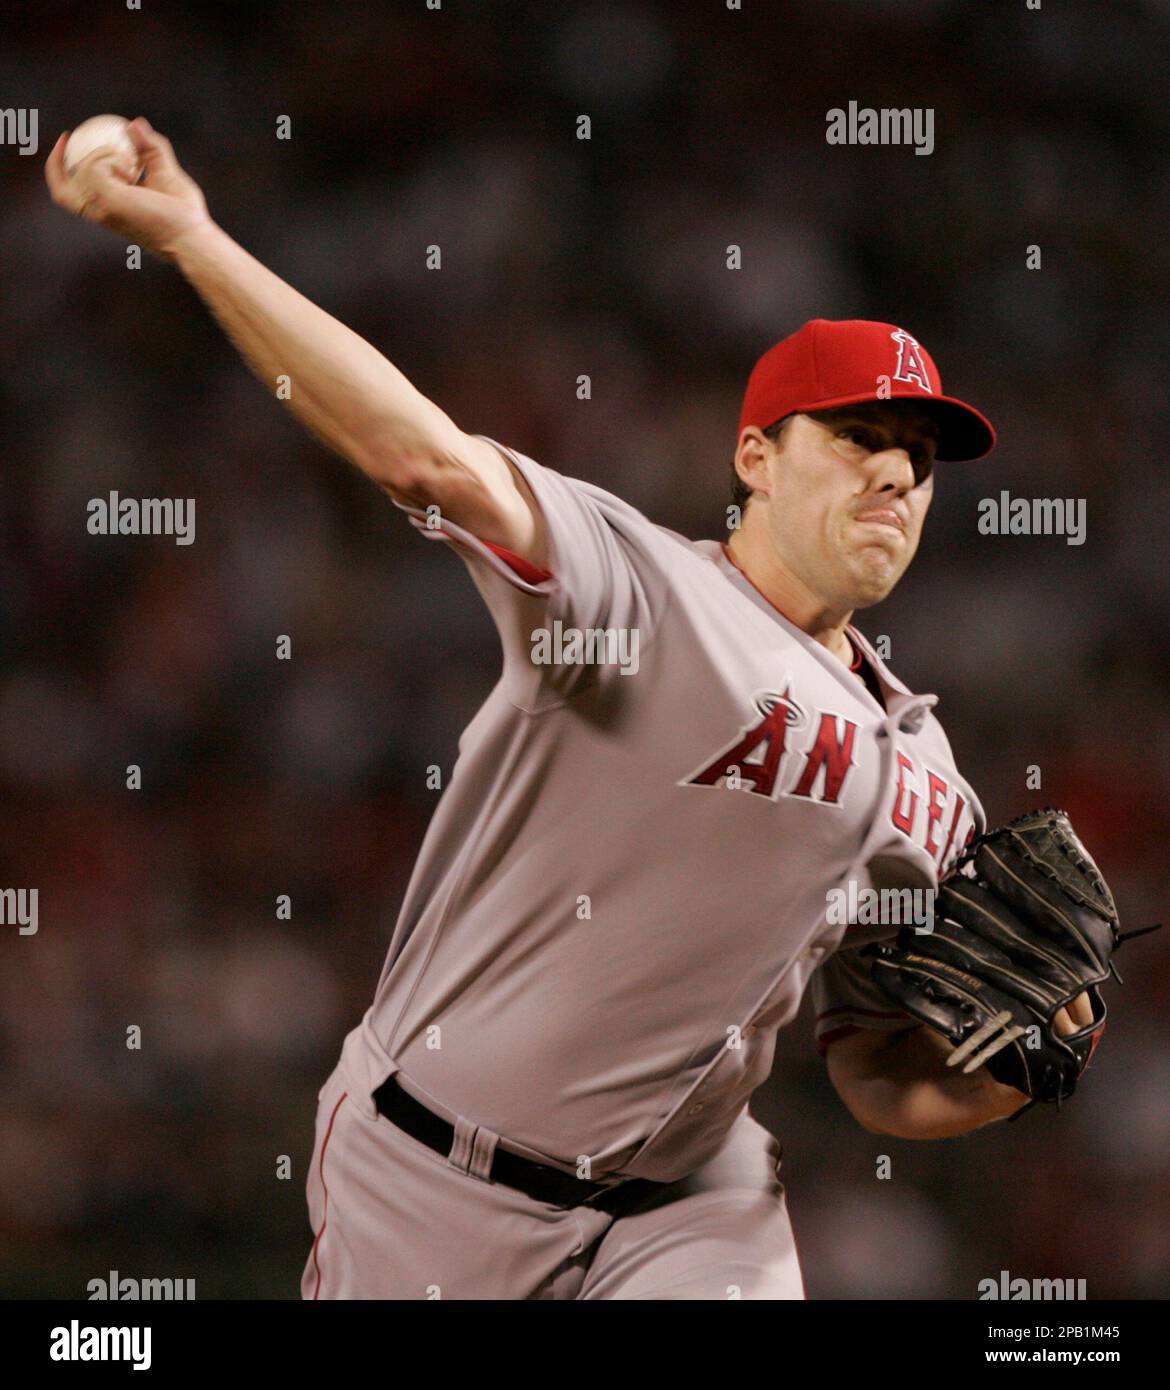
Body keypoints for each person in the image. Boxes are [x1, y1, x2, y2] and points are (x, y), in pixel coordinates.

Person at [46, 119, 1094, 1301]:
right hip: (429, 1171)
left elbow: (871, 1074)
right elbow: (428, 460)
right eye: (861, 436)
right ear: (755, 455)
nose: (898, 474)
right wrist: (192, 237)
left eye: (920, 455)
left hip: (693, 1204)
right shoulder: (641, 589)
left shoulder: (934, 775)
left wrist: (1021, 1065)